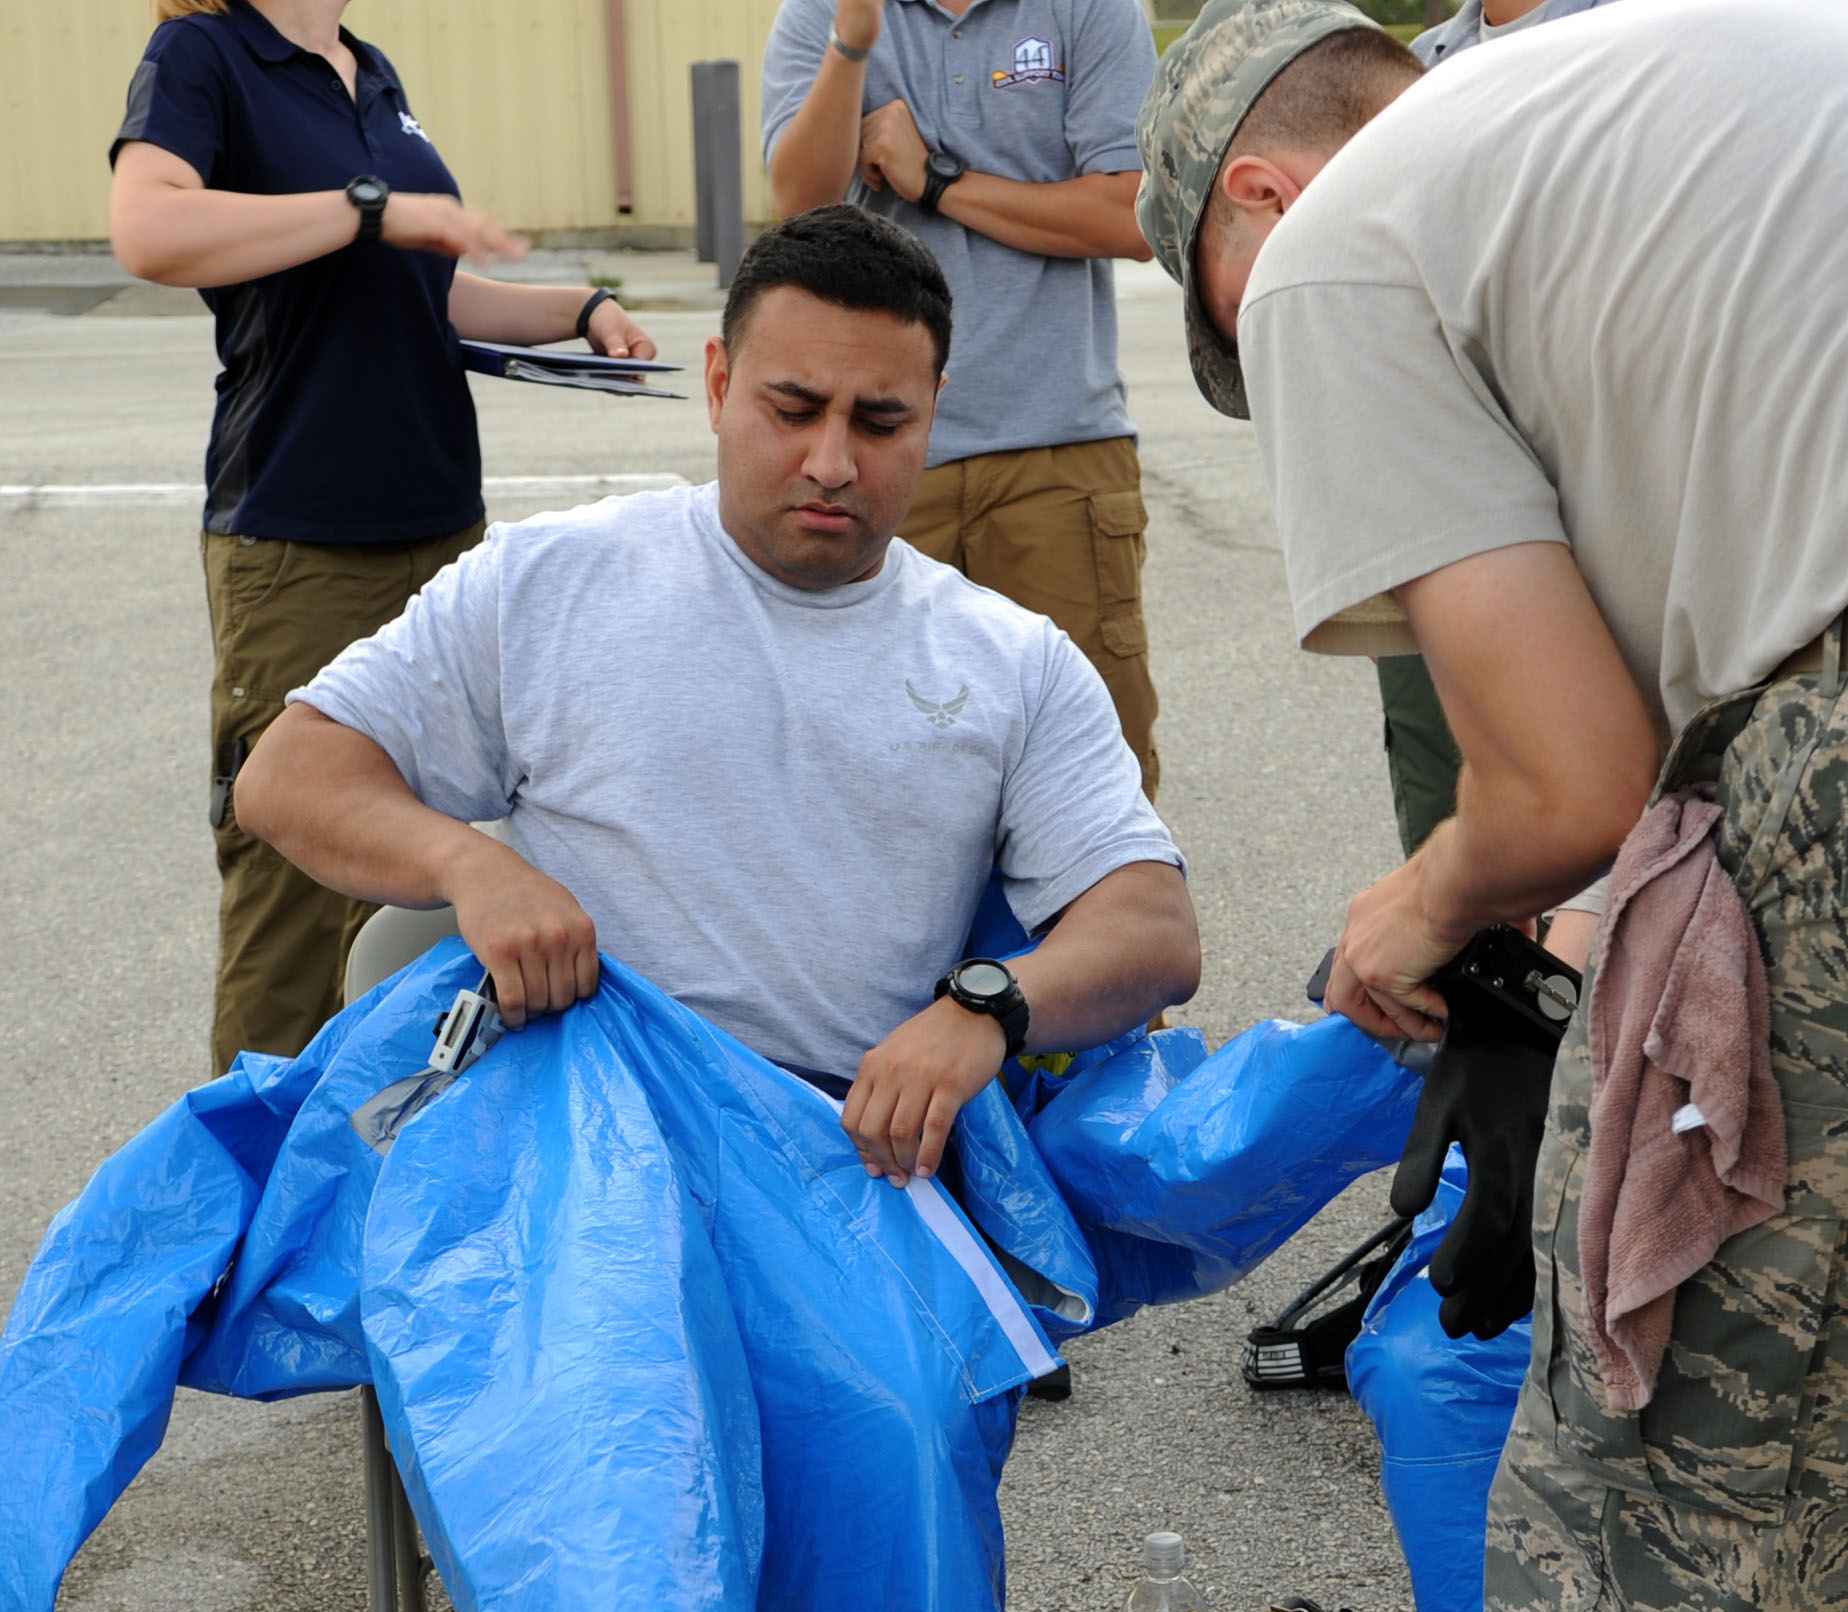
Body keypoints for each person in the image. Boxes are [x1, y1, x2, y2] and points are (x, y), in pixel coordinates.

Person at [1136, 0, 1848, 1612]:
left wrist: (1418, 903)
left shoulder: (1344, 247)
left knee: (1663, 1460)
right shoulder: (1667, 93)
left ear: (1251, 206)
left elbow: (1555, 777)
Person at [235, 204, 1198, 1193]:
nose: (833, 462)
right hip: (585, 1179)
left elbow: (1154, 931)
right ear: (717, 384)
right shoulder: (546, 581)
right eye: (793, 409)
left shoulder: (1011, 659)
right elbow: (288, 775)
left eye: (881, 422)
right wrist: (467, 862)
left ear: (935, 407)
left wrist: (988, 1010)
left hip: (852, 1175)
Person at [108, 0, 655, 1073]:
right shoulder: (206, 53)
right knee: (298, 909)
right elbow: (151, 229)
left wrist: (579, 307)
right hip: (307, 544)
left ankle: (380, 1180)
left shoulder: (372, 73)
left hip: (442, 536)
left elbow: (427, 294)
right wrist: (367, 206)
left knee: (408, 900)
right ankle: (253, 1216)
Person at [760, 0, 1164, 799]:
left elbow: (1132, 214)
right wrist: (853, 45)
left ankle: (1085, 930)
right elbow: (800, 208)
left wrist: (937, 182)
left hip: (1057, 446)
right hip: (876, 453)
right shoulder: (826, 13)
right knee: (871, 764)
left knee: (1086, 770)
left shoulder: (1089, 10)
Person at [1375, 0, 1629, 862]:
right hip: (1448, 483)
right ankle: (1471, 985)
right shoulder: (1412, 71)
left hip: (1609, 476)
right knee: (1448, 783)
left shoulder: (1634, 35)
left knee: (1623, 783)